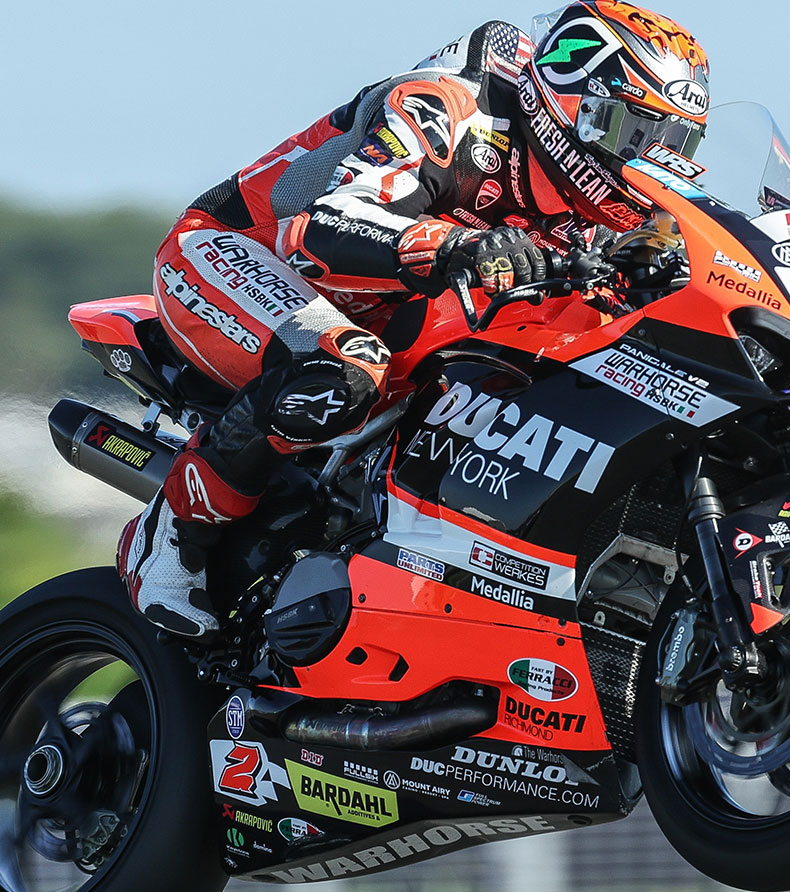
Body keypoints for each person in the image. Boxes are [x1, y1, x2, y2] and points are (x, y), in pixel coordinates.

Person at [118, 2, 711, 636]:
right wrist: (460, 246)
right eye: (638, 132)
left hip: (385, 300)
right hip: (240, 252)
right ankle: (168, 542)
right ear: (577, 102)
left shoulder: (616, 207)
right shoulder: (448, 110)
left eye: (676, 143)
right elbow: (322, 231)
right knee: (345, 368)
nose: (656, 159)